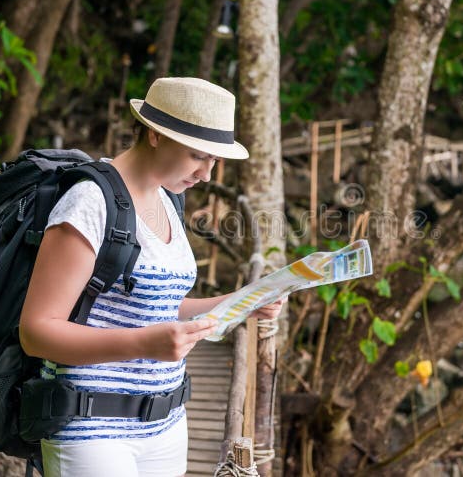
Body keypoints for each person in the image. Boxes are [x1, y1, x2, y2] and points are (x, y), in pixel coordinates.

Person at [19, 77, 285, 477]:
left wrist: (242, 303)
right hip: (91, 428)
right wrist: (144, 343)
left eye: (215, 160)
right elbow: (37, 332)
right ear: (156, 135)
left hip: (166, 425)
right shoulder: (89, 202)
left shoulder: (167, 199)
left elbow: (156, 304)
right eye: (198, 155)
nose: (207, 174)